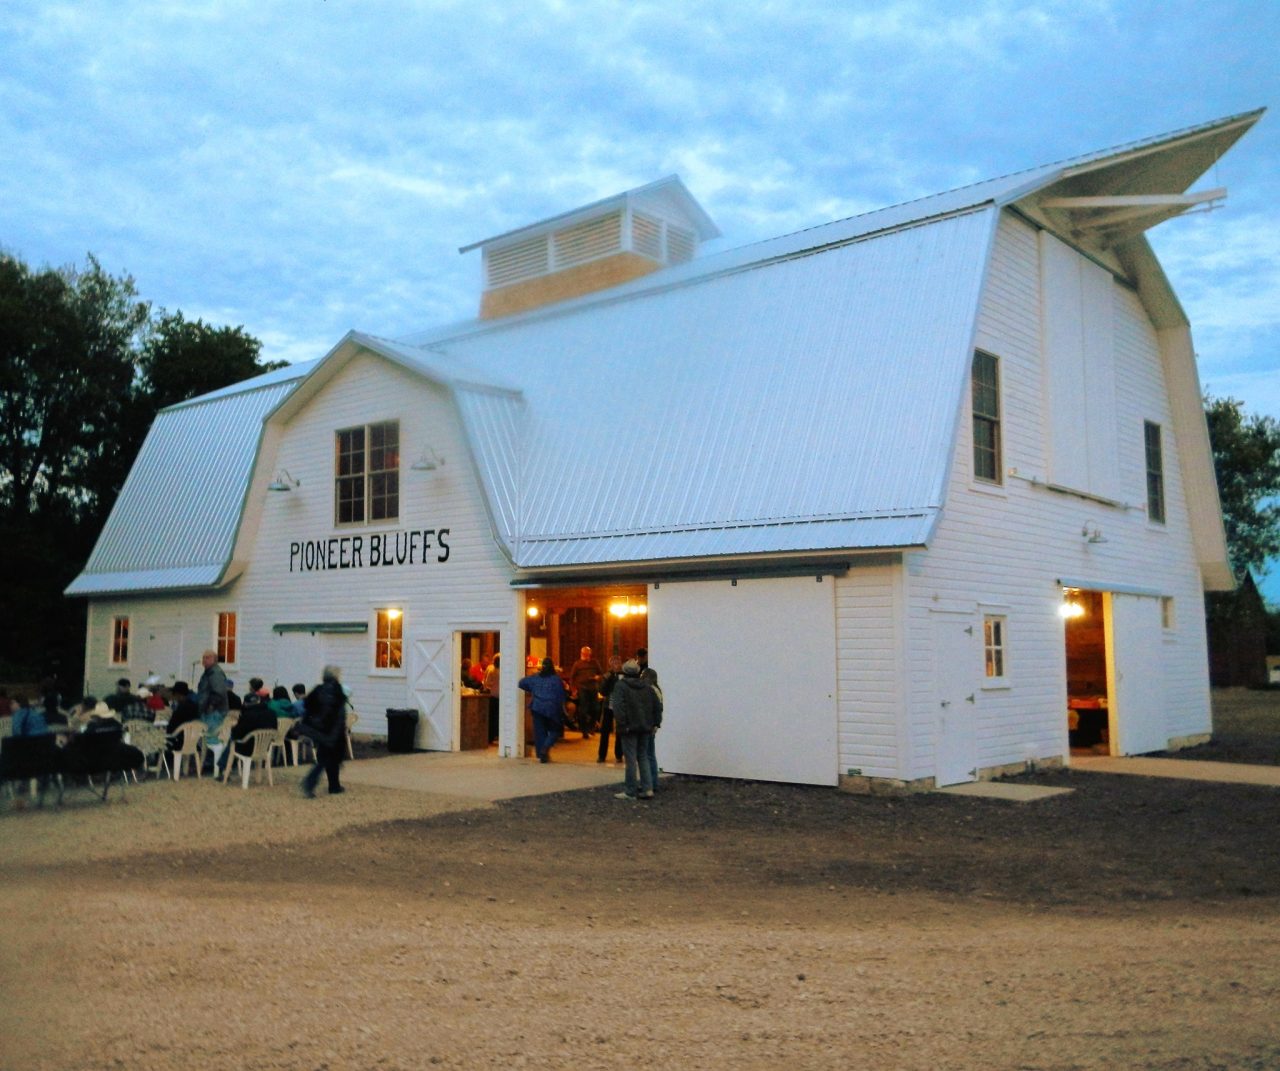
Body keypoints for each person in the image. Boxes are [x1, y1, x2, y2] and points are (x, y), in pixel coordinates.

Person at [611, 659, 662, 801]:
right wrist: (655, 723)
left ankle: (630, 791)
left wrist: (622, 724)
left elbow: (618, 707)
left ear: (625, 672)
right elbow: (656, 706)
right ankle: (648, 788)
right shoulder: (647, 687)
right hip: (645, 727)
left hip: (629, 727)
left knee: (631, 760)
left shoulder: (621, 686)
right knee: (643, 757)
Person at [298, 665, 349, 797]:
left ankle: (334, 785)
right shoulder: (337, 691)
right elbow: (339, 713)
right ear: (336, 677)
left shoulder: (318, 690)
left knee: (327, 758)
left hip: (319, 729)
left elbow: (306, 704)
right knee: (330, 759)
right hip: (333, 730)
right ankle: (311, 783)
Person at [518, 657, 567, 763]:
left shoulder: (535, 677)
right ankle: (545, 747)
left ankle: (541, 755)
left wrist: (531, 689)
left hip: (537, 707)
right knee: (555, 730)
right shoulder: (556, 679)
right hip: (551, 708)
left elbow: (521, 683)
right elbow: (561, 695)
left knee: (539, 732)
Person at [595, 655, 625, 764]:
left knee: (620, 731)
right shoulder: (607, 675)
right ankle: (601, 755)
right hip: (609, 706)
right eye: (614, 663)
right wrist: (608, 679)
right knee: (605, 731)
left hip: (621, 706)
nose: (616, 665)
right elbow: (602, 691)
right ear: (610, 665)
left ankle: (619, 754)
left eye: (618, 662)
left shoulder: (625, 675)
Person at [568, 646, 603, 737]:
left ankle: (592, 727)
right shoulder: (577, 664)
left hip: (593, 688)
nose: (586, 656)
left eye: (587, 654)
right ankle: (584, 731)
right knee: (583, 710)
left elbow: (601, 674)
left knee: (596, 709)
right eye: (584, 654)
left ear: (590, 654)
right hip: (582, 688)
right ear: (581, 654)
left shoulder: (595, 663)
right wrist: (573, 689)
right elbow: (572, 678)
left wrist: (598, 677)